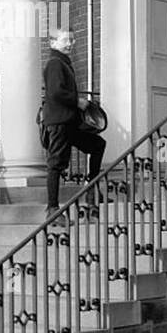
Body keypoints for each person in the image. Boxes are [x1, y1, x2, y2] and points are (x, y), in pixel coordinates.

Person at [41, 28, 105, 220]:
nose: (70, 43)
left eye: (71, 40)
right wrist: (78, 101)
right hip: (59, 122)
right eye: (65, 40)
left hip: (69, 122)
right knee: (56, 164)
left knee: (97, 145)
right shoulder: (54, 63)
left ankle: (91, 190)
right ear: (53, 43)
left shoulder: (63, 63)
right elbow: (55, 93)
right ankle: (52, 209)